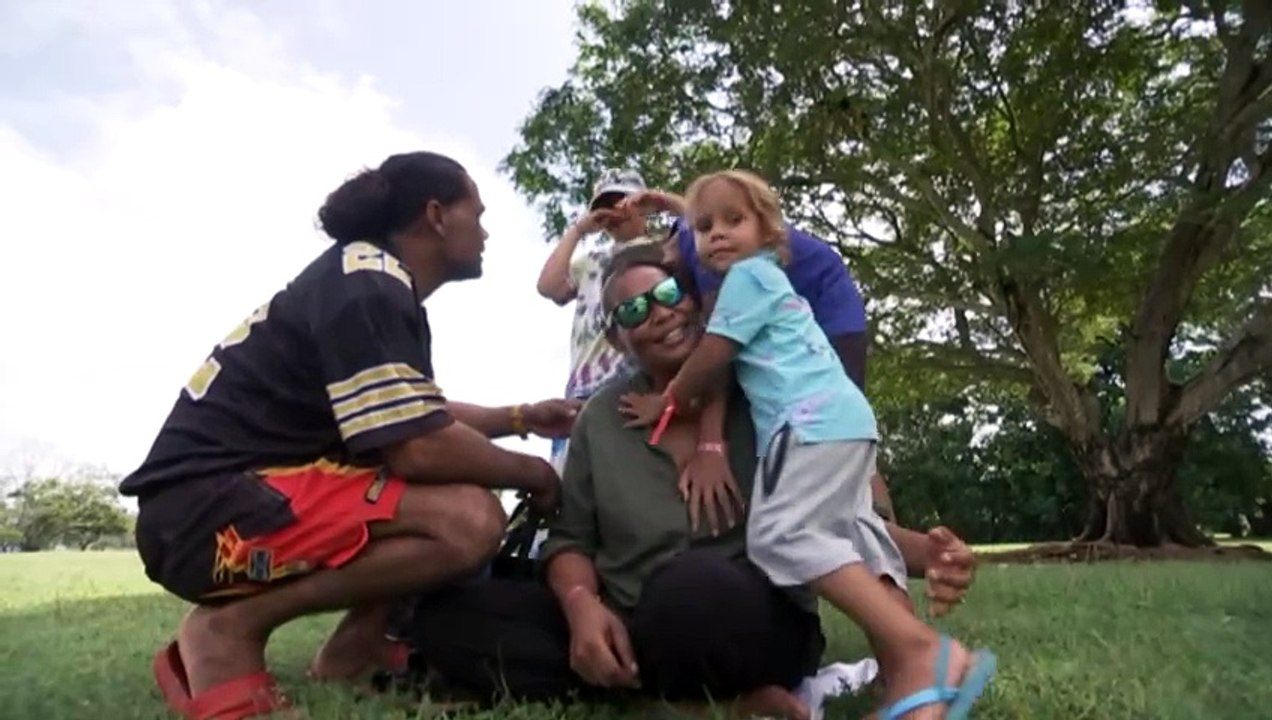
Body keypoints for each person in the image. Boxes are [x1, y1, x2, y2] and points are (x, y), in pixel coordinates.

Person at [403, 249, 978, 720]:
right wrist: (581, 608)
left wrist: (929, 553)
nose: (656, 314)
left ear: (699, 304)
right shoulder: (600, 419)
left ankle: (681, 696)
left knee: (690, 591)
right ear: (617, 339)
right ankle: (689, 703)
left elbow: (841, 518)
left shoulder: (768, 395)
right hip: (629, 619)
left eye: (667, 295)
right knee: (450, 615)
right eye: (631, 312)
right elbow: (571, 539)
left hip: (745, 618)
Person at [119, 151, 579, 720]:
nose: (485, 231)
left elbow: (409, 413)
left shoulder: (364, 276)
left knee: (441, 493)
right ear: (436, 215)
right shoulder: (367, 285)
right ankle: (227, 630)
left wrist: (519, 417)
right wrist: (534, 472)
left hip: (216, 503)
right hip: (205, 515)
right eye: (477, 213)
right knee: (466, 518)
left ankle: (352, 654)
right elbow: (419, 446)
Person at [646, 170, 996, 720]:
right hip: (844, 419)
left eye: (733, 220)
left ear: (768, 230)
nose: (715, 235)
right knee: (853, 529)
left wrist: (668, 399)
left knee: (781, 533)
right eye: (704, 226)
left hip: (807, 424)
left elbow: (713, 356)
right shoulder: (764, 280)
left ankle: (920, 651)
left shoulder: (747, 280)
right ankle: (911, 678)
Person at [615, 187, 898, 539]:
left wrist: (698, 431)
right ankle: (883, 544)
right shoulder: (716, 246)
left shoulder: (721, 268)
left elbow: (716, 355)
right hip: (802, 316)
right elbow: (714, 215)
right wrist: (666, 203)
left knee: (824, 450)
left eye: (667, 290)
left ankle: (880, 529)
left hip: (832, 316)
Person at [534, 168, 663, 471]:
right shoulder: (590, 260)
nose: (616, 210)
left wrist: (660, 203)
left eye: (624, 200)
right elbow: (549, 286)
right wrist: (579, 230)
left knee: (626, 471)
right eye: (607, 204)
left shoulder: (661, 248)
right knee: (572, 474)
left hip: (634, 379)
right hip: (582, 384)